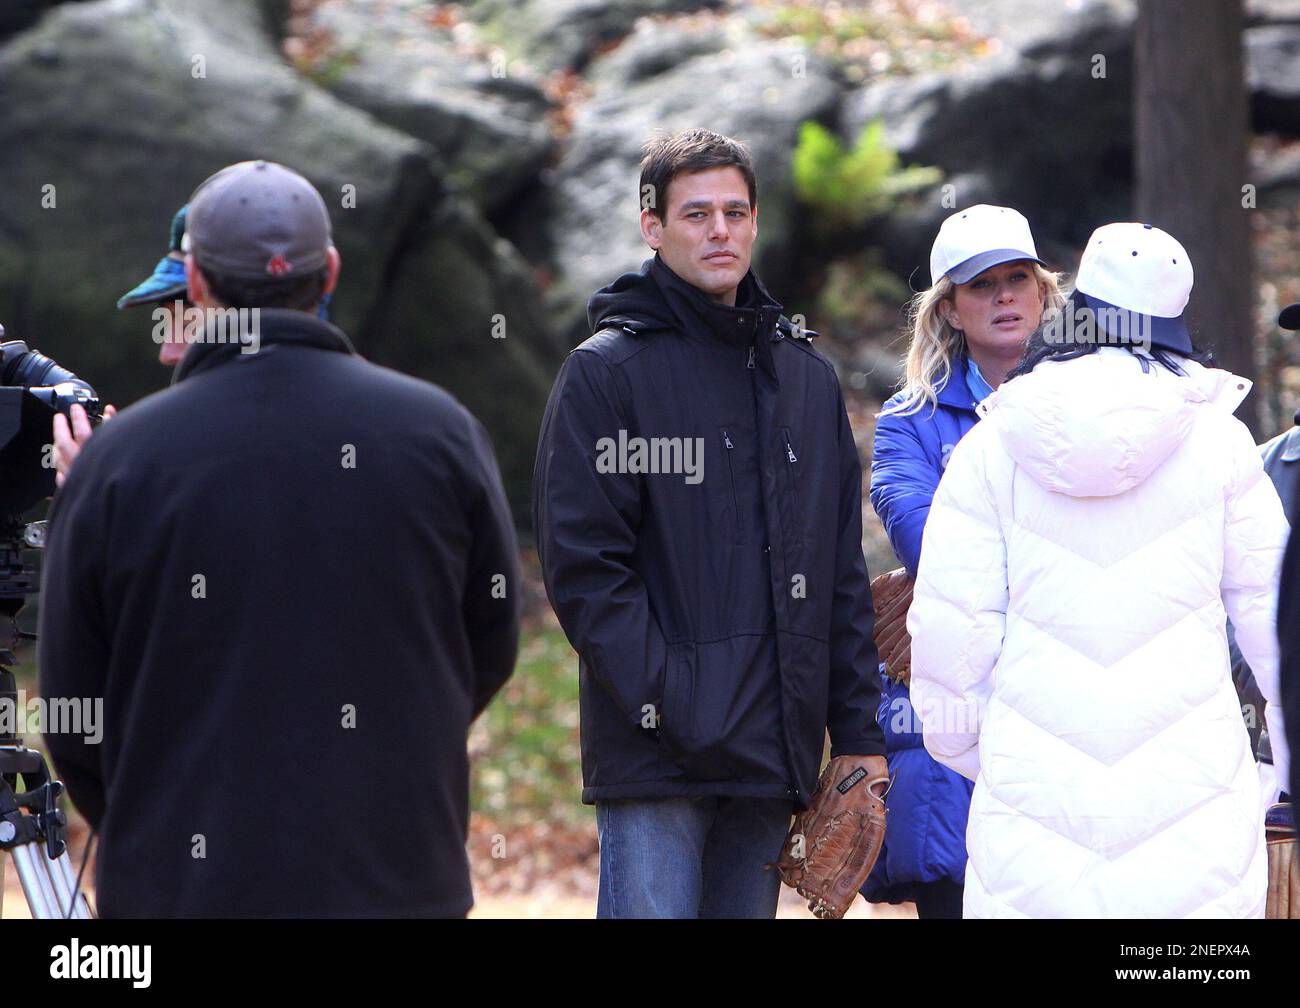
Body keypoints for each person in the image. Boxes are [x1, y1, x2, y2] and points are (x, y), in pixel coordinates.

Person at [38, 159, 520, 917]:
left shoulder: (119, 462)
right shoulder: (440, 433)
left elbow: (73, 707)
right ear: (327, 270)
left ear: (194, 283)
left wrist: (158, 818)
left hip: (184, 887)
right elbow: (489, 643)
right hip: (396, 879)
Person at [532, 128, 886, 919]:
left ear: (756, 222)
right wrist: (677, 706)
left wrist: (858, 736)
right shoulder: (607, 372)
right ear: (652, 227)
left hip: (770, 756)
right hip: (658, 755)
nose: (719, 230)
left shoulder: (804, 379)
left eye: (735, 211)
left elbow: (838, 575)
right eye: (696, 215)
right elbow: (587, 571)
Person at [908, 222, 1290, 918]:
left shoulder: (993, 444)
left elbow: (946, 647)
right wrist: (1279, 770)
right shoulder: (1223, 444)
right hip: (1195, 804)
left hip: (1033, 813)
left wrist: (997, 758)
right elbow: (1278, 627)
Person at [864, 205, 1065, 918]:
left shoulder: (1096, 406)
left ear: (1044, 295)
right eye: (983, 285)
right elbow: (930, 546)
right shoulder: (908, 422)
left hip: (1074, 711)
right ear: (948, 307)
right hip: (963, 721)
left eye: (1019, 279)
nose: (1005, 297)